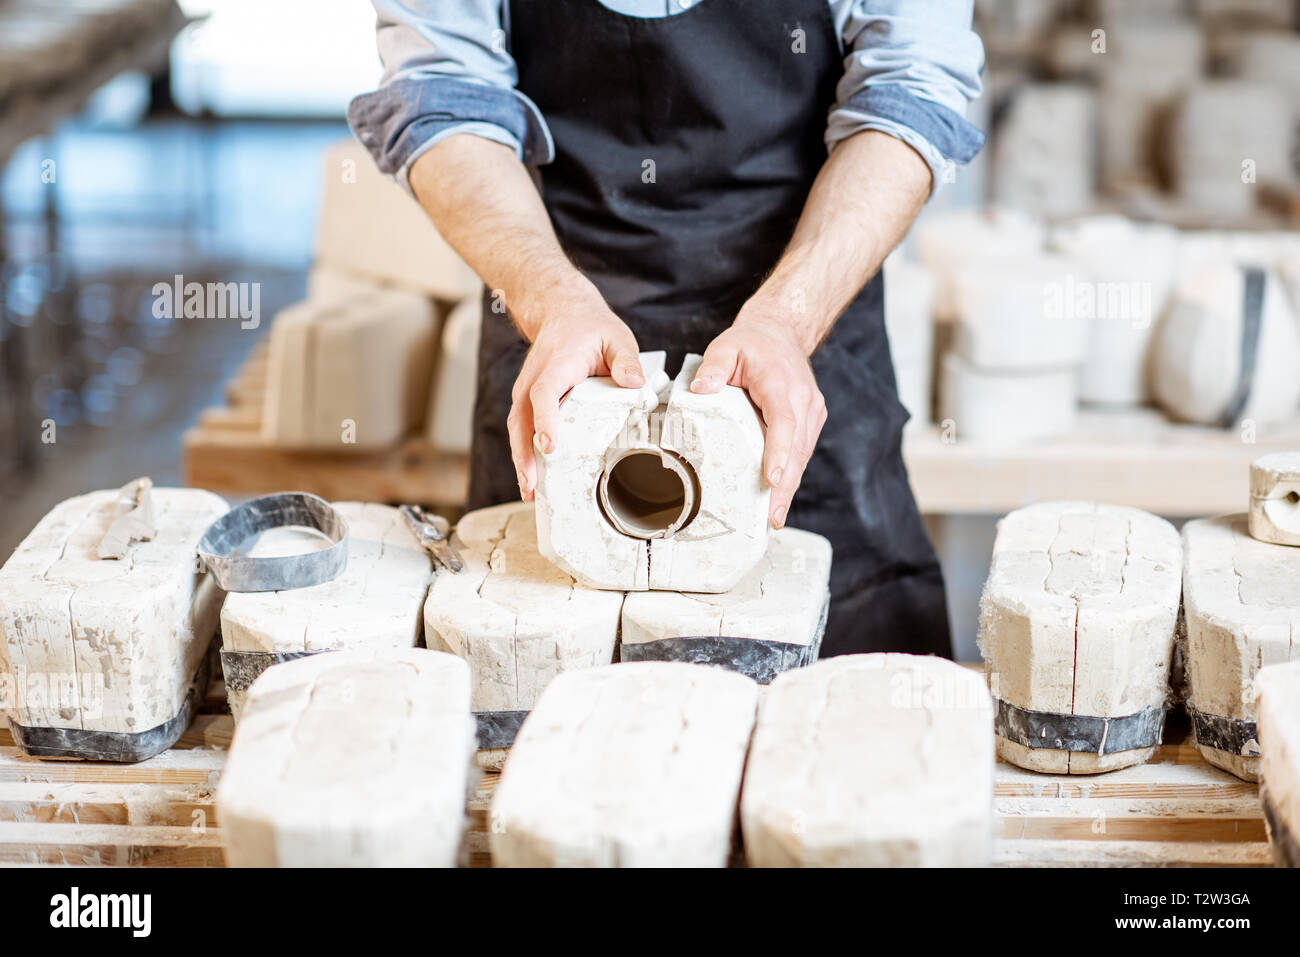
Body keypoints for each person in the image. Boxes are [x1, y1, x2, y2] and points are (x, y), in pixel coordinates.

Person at [350, 0, 985, 657]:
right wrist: (553, 301)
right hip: (565, 346)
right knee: (540, 696)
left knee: (845, 719)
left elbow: (911, 88)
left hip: (802, 339)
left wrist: (786, 320)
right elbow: (446, 97)